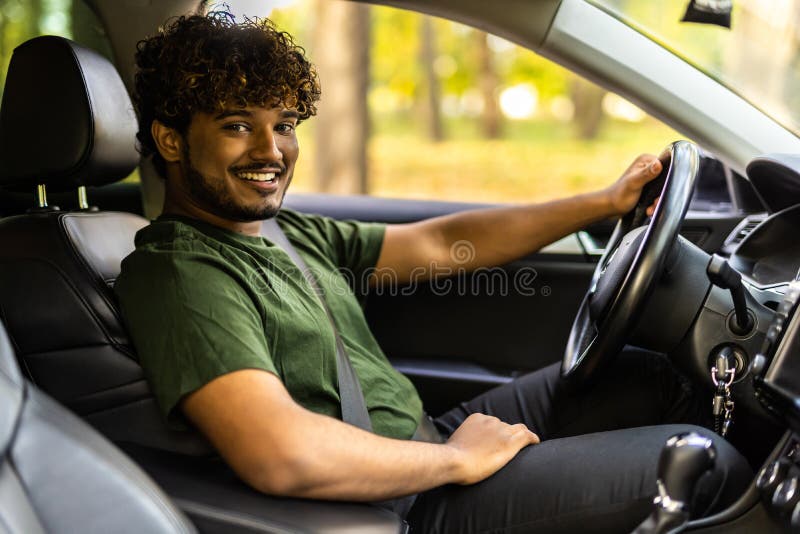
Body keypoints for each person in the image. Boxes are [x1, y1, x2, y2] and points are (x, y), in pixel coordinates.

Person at [115, 11, 751, 533]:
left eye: (283, 126)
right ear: (171, 140)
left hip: (424, 442)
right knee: (703, 466)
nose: (271, 151)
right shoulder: (182, 273)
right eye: (236, 127)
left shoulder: (280, 229)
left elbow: (446, 244)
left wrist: (602, 202)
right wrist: (452, 461)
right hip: (401, 501)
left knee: (665, 377)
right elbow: (281, 454)